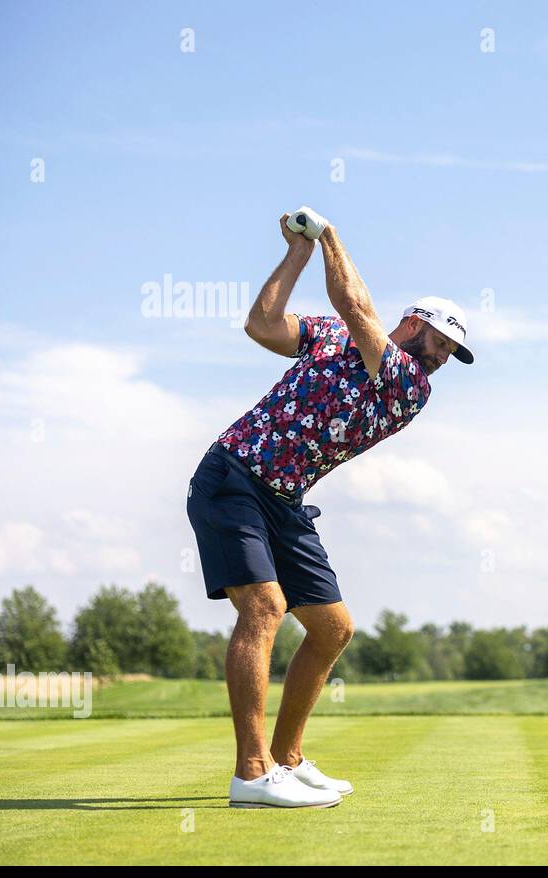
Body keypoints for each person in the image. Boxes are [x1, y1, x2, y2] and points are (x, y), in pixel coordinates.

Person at [186, 209, 474, 809]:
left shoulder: (409, 384)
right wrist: (297, 251)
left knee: (332, 628)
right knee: (264, 608)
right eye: (442, 341)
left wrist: (331, 237)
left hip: (285, 499)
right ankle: (252, 772)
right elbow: (264, 326)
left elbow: (354, 305)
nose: (444, 356)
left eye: (452, 351)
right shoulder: (335, 338)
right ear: (414, 324)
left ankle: (287, 761)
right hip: (233, 478)